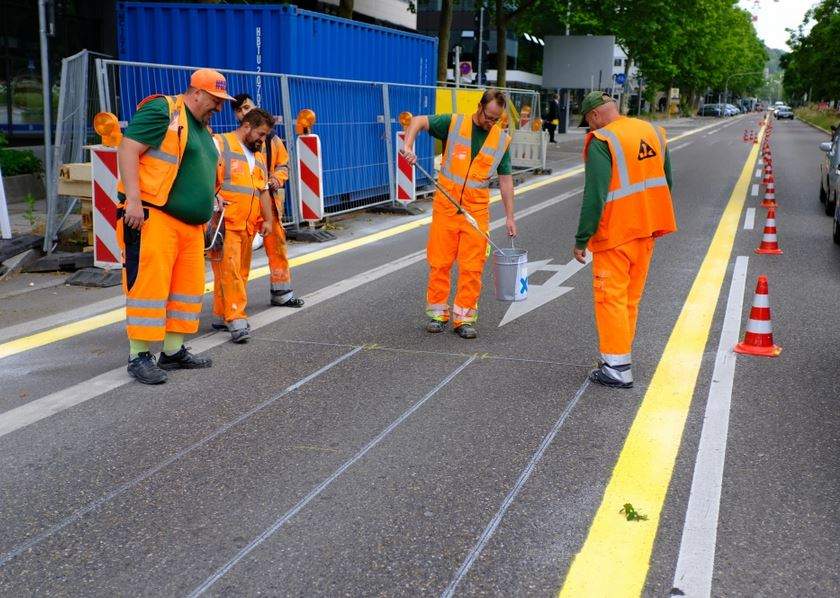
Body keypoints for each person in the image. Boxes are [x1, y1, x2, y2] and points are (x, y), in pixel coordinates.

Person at [116, 68, 233, 385]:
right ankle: (139, 356)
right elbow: (128, 149)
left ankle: (172, 350)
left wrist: (210, 199)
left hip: (190, 225)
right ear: (196, 93)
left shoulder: (203, 128)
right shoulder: (163, 110)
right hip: (155, 216)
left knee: (186, 289)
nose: (220, 106)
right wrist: (134, 200)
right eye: (215, 99)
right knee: (149, 288)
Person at [574, 91, 676, 388]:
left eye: (588, 121)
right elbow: (667, 181)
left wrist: (582, 238)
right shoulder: (653, 131)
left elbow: (595, 195)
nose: (589, 127)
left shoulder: (602, 140)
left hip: (616, 234)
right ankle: (619, 357)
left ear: (594, 115)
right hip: (647, 230)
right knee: (629, 300)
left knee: (610, 299)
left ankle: (617, 369)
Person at [402, 89, 517, 339]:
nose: (491, 122)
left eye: (496, 119)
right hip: (446, 207)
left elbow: (506, 181)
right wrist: (407, 145)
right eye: (488, 117)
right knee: (440, 263)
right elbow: (418, 121)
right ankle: (437, 314)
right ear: (479, 107)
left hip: (476, 212)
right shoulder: (454, 124)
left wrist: (510, 217)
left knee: (472, 267)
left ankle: (464, 318)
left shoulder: (501, 140)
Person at [210, 108, 277, 343]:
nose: (262, 140)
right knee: (230, 273)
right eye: (260, 134)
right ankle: (236, 318)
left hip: (247, 225)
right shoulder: (220, 144)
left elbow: (263, 190)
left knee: (240, 272)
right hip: (225, 223)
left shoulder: (258, 156)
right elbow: (204, 176)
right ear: (246, 126)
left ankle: (222, 314)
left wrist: (267, 219)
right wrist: (213, 197)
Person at [231, 93, 304, 309]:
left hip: (268, 205)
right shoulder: (232, 142)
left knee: (277, 249)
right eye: (239, 110)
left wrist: (275, 180)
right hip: (244, 208)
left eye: (246, 107)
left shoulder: (272, 141)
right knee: (240, 257)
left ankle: (282, 293)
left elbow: (283, 165)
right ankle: (235, 305)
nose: (243, 112)